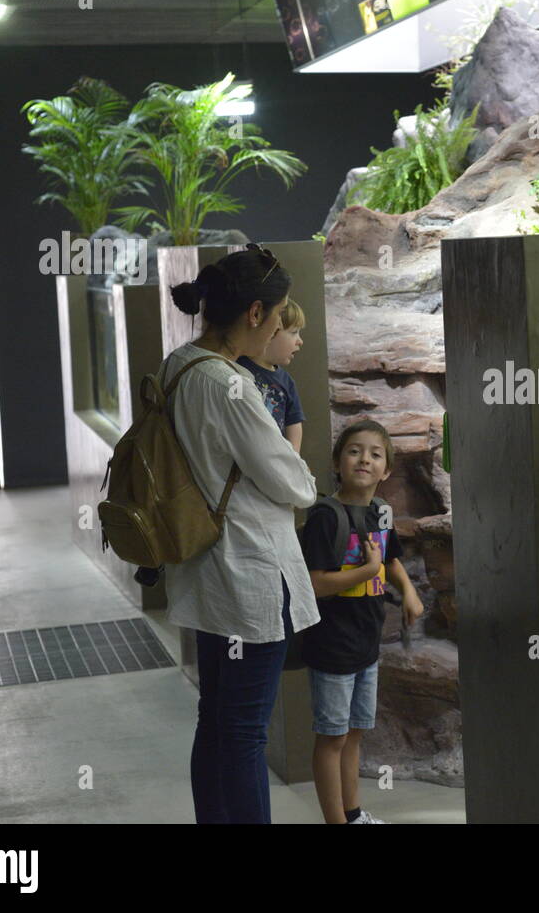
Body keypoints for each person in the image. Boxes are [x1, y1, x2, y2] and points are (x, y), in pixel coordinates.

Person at [165, 244, 320, 824]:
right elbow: (293, 483)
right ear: (255, 314)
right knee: (248, 732)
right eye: (279, 316)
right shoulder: (231, 387)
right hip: (252, 574)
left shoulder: (178, 363)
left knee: (217, 720)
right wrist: (302, 473)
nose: (282, 327)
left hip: (207, 571)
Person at [299, 420, 424, 824]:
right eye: (354, 451)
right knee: (332, 737)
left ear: (386, 469)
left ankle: (352, 816)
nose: (364, 459)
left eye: (375, 453)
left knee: (353, 734)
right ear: (337, 462)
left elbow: (389, 560)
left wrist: (408, 590)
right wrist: (366, 570)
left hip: (366, 645)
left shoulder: (380, 512)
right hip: (332, 646)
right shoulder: (324, 516)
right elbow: (316, 584)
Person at [237, 298, 306, 452]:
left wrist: (294, 462)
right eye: (294, 332)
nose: (300, 341)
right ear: (271, 330)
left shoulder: (287, 382)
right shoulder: (237, 369)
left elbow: (293, 423)